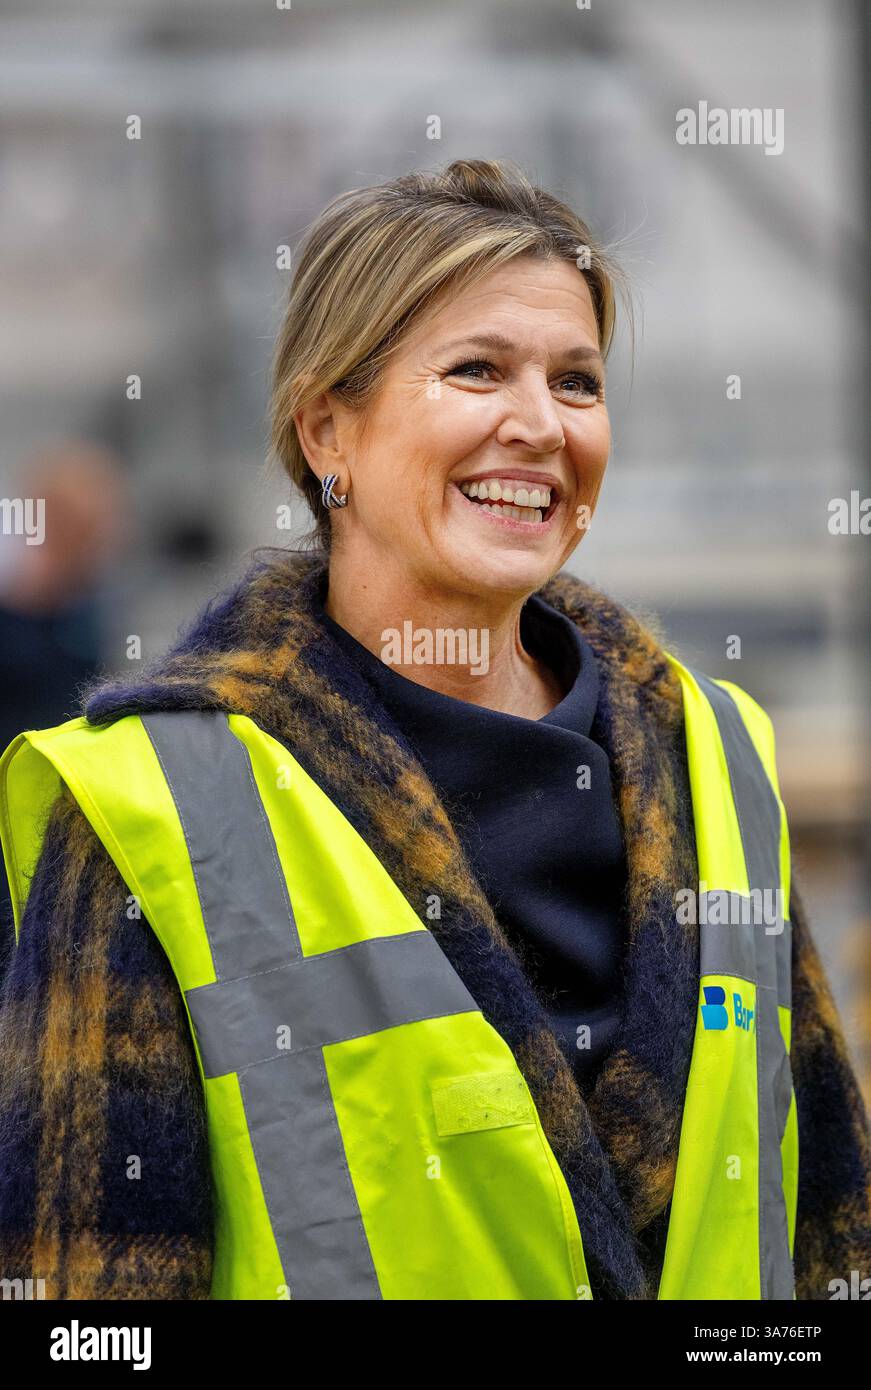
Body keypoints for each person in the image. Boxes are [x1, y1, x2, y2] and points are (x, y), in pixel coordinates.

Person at [0, 158, 868, 1301]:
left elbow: (827, 1231)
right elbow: (89, 1301)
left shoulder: (717, 754)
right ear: (327, 434)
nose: (539, 426)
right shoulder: (150, 806)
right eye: (475, 371)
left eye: (576, 381)